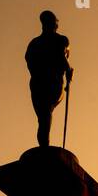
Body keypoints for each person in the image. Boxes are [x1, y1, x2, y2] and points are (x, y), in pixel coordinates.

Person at [25, 10, 73, 147]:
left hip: (40, 83)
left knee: (44, 116)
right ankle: (44, 148)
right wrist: (68, 70)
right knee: (44, 117)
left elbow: (30, 63)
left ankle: (44, 147)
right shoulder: (60, 40)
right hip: (50, 82)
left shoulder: (34, 43)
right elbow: (62, 58)